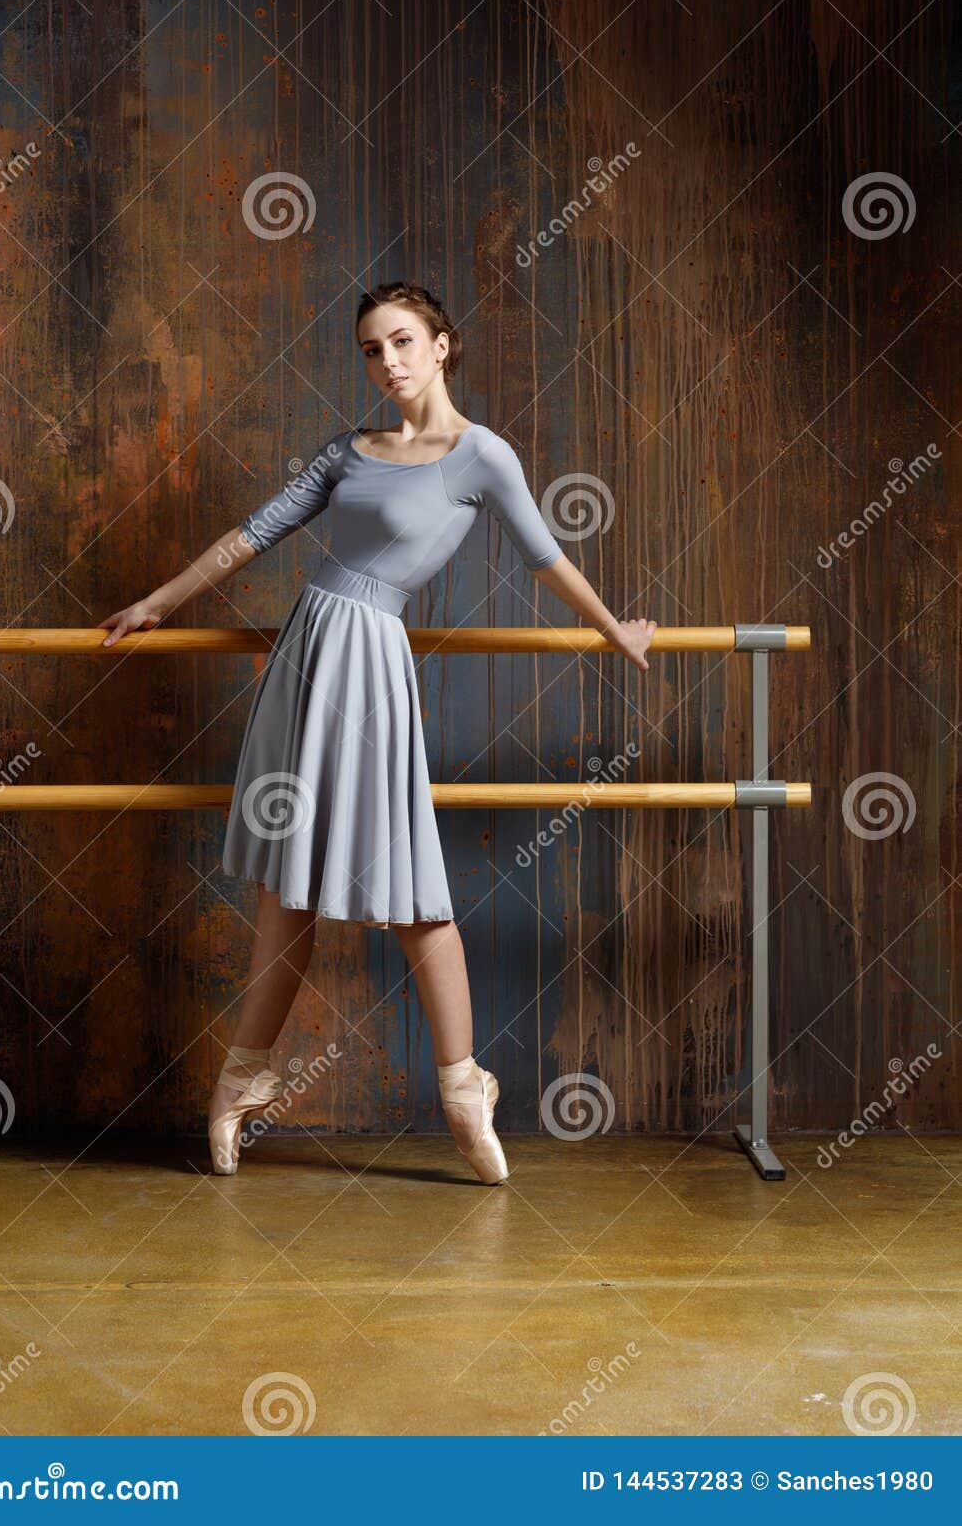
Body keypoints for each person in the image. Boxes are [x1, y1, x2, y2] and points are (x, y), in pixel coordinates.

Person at [98, 281, 656, 1183]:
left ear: (441, 345)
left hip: (371, 667)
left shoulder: (481, 456)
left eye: (400, 342)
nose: (386, 362)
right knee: (287, 888)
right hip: (306, 657)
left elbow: (544, 556)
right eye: (370, 349)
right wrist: (157, 603)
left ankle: (462, 1090)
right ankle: (243, 1079)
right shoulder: (346, 451)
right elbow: (252, 535)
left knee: (409, 894)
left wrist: (612, 628)